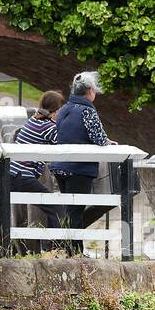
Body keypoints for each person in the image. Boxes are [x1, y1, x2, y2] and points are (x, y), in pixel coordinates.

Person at [50, 71, 115, 253]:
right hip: (78, 168)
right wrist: (107, 141)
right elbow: (100, 139)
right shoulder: (87, 110)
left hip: (60, 167)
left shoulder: (64, 109)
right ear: (90, 91)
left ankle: (69, 249)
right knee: (76, 211)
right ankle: (75, 252)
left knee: (71, 210)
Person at [9, 90, 66, 249]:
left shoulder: (34, 119)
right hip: (23, 176)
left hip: (14, 173)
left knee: (49, 206)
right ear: (55, 110)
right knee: (56, 207)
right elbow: (63, 143)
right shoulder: (48, 126)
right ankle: (53, 248)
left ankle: (49, 247)